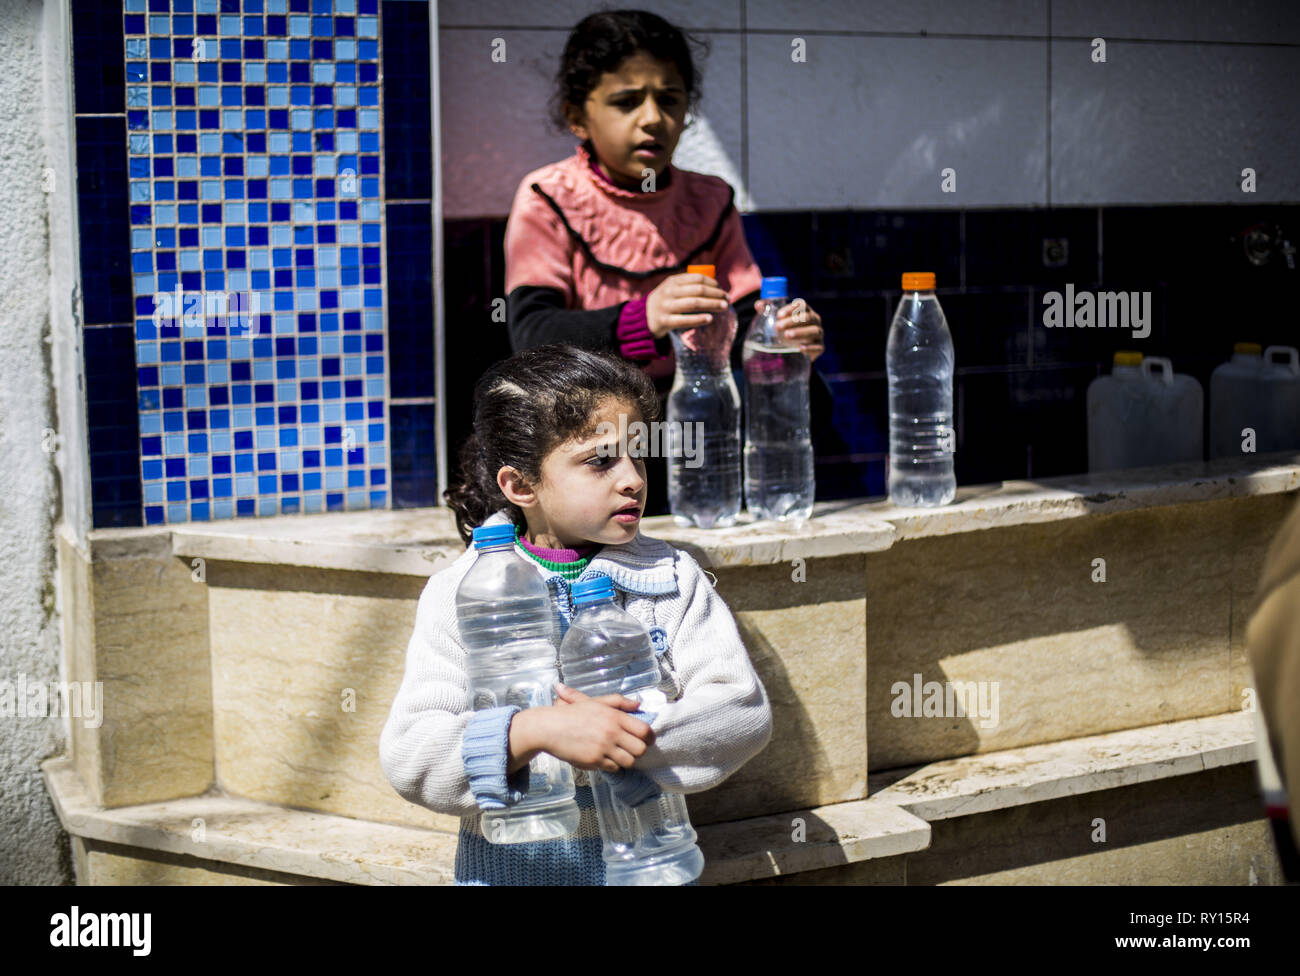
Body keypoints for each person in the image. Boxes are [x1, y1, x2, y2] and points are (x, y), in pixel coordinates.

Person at [379, 344, 774, 885]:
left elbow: (740, 712)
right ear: (521, 485)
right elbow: (412, 755)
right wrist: (534, 732)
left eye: (638, 456)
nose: (632, 479)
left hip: (654, 869)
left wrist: (614, 737)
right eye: (600, 460)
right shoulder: (458, 594)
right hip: (512, 875)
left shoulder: (671, 578)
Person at [502, 8, 831, 515]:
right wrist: (644, 320)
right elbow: (530, 335)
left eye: (669, 99)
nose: (653, 117)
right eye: (626, 102)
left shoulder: (711, 199)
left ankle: (764, 509)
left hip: (687, 421)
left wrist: (780, 338)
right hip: (591, 431)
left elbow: (743, 319)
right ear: (577, 115)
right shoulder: (548, 197)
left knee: (808, 392)